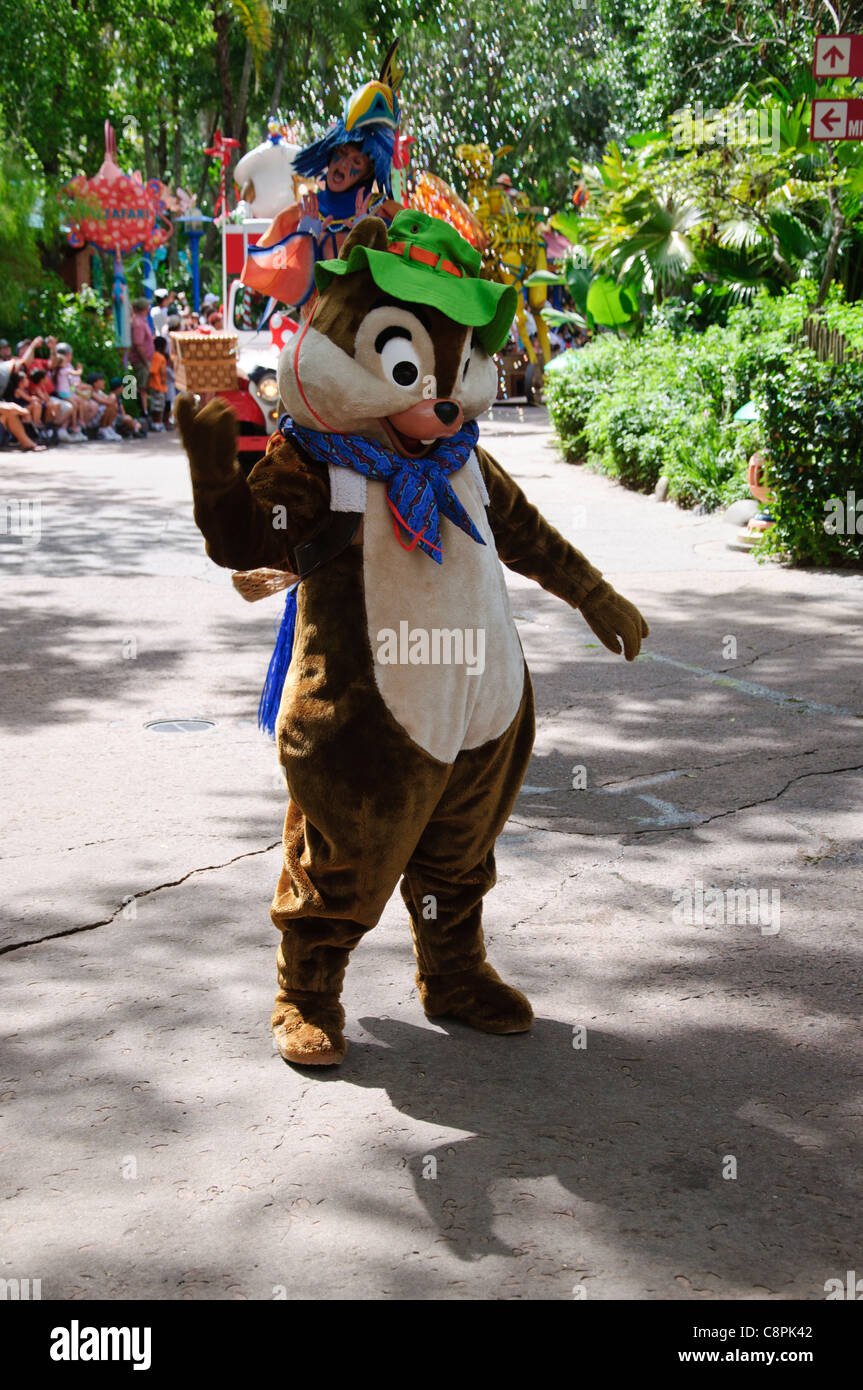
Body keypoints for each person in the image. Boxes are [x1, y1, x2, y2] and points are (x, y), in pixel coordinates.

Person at [129, 298, 154, 414]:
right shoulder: (138, 323)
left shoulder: (142, 321)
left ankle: (143, 410)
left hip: (145, 360)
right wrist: (145, 362)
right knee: (141, 387)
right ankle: (141, 412)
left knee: (144, 386)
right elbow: (138, 345)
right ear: (145, 308)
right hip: (140, 361)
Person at [147, 335, 168, 430]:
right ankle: (157, 423)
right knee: (157, 405)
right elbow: (153, 371)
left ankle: (158, 422)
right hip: (156, 385)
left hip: (160, 386)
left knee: (160, 405)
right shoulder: (157, 357)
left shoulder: (159, 357)